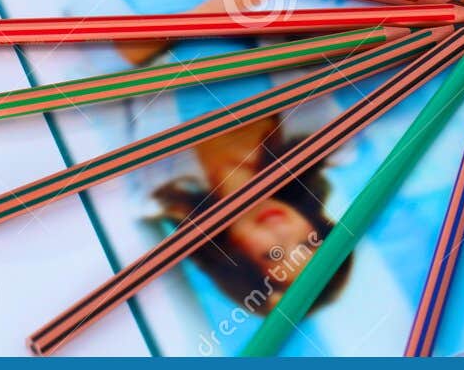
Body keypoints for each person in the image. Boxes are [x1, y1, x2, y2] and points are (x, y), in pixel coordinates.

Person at [149, 116, 352, 316]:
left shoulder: (150, 185)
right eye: (307, 244)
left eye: (273, 254)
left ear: (234, 258)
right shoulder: (325, 131)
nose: (282, 230)